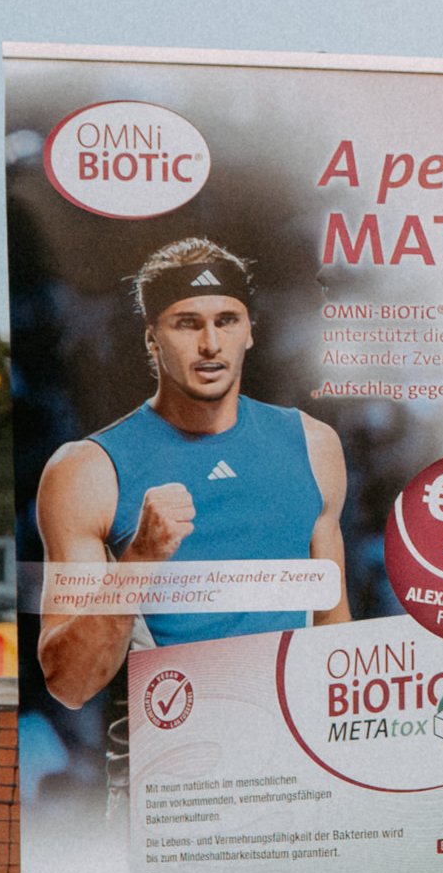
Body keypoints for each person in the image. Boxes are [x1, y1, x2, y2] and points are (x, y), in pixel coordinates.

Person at [35, 240, 349, 709]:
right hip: (172, 760)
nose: (210, 344)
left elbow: (333, 629)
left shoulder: (313, 444)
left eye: (227, 320)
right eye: (187, 323)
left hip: (289, 756)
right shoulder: (86, 470)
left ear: (250, 331)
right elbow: (70, 683)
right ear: (151, 338)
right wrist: (140, 558)